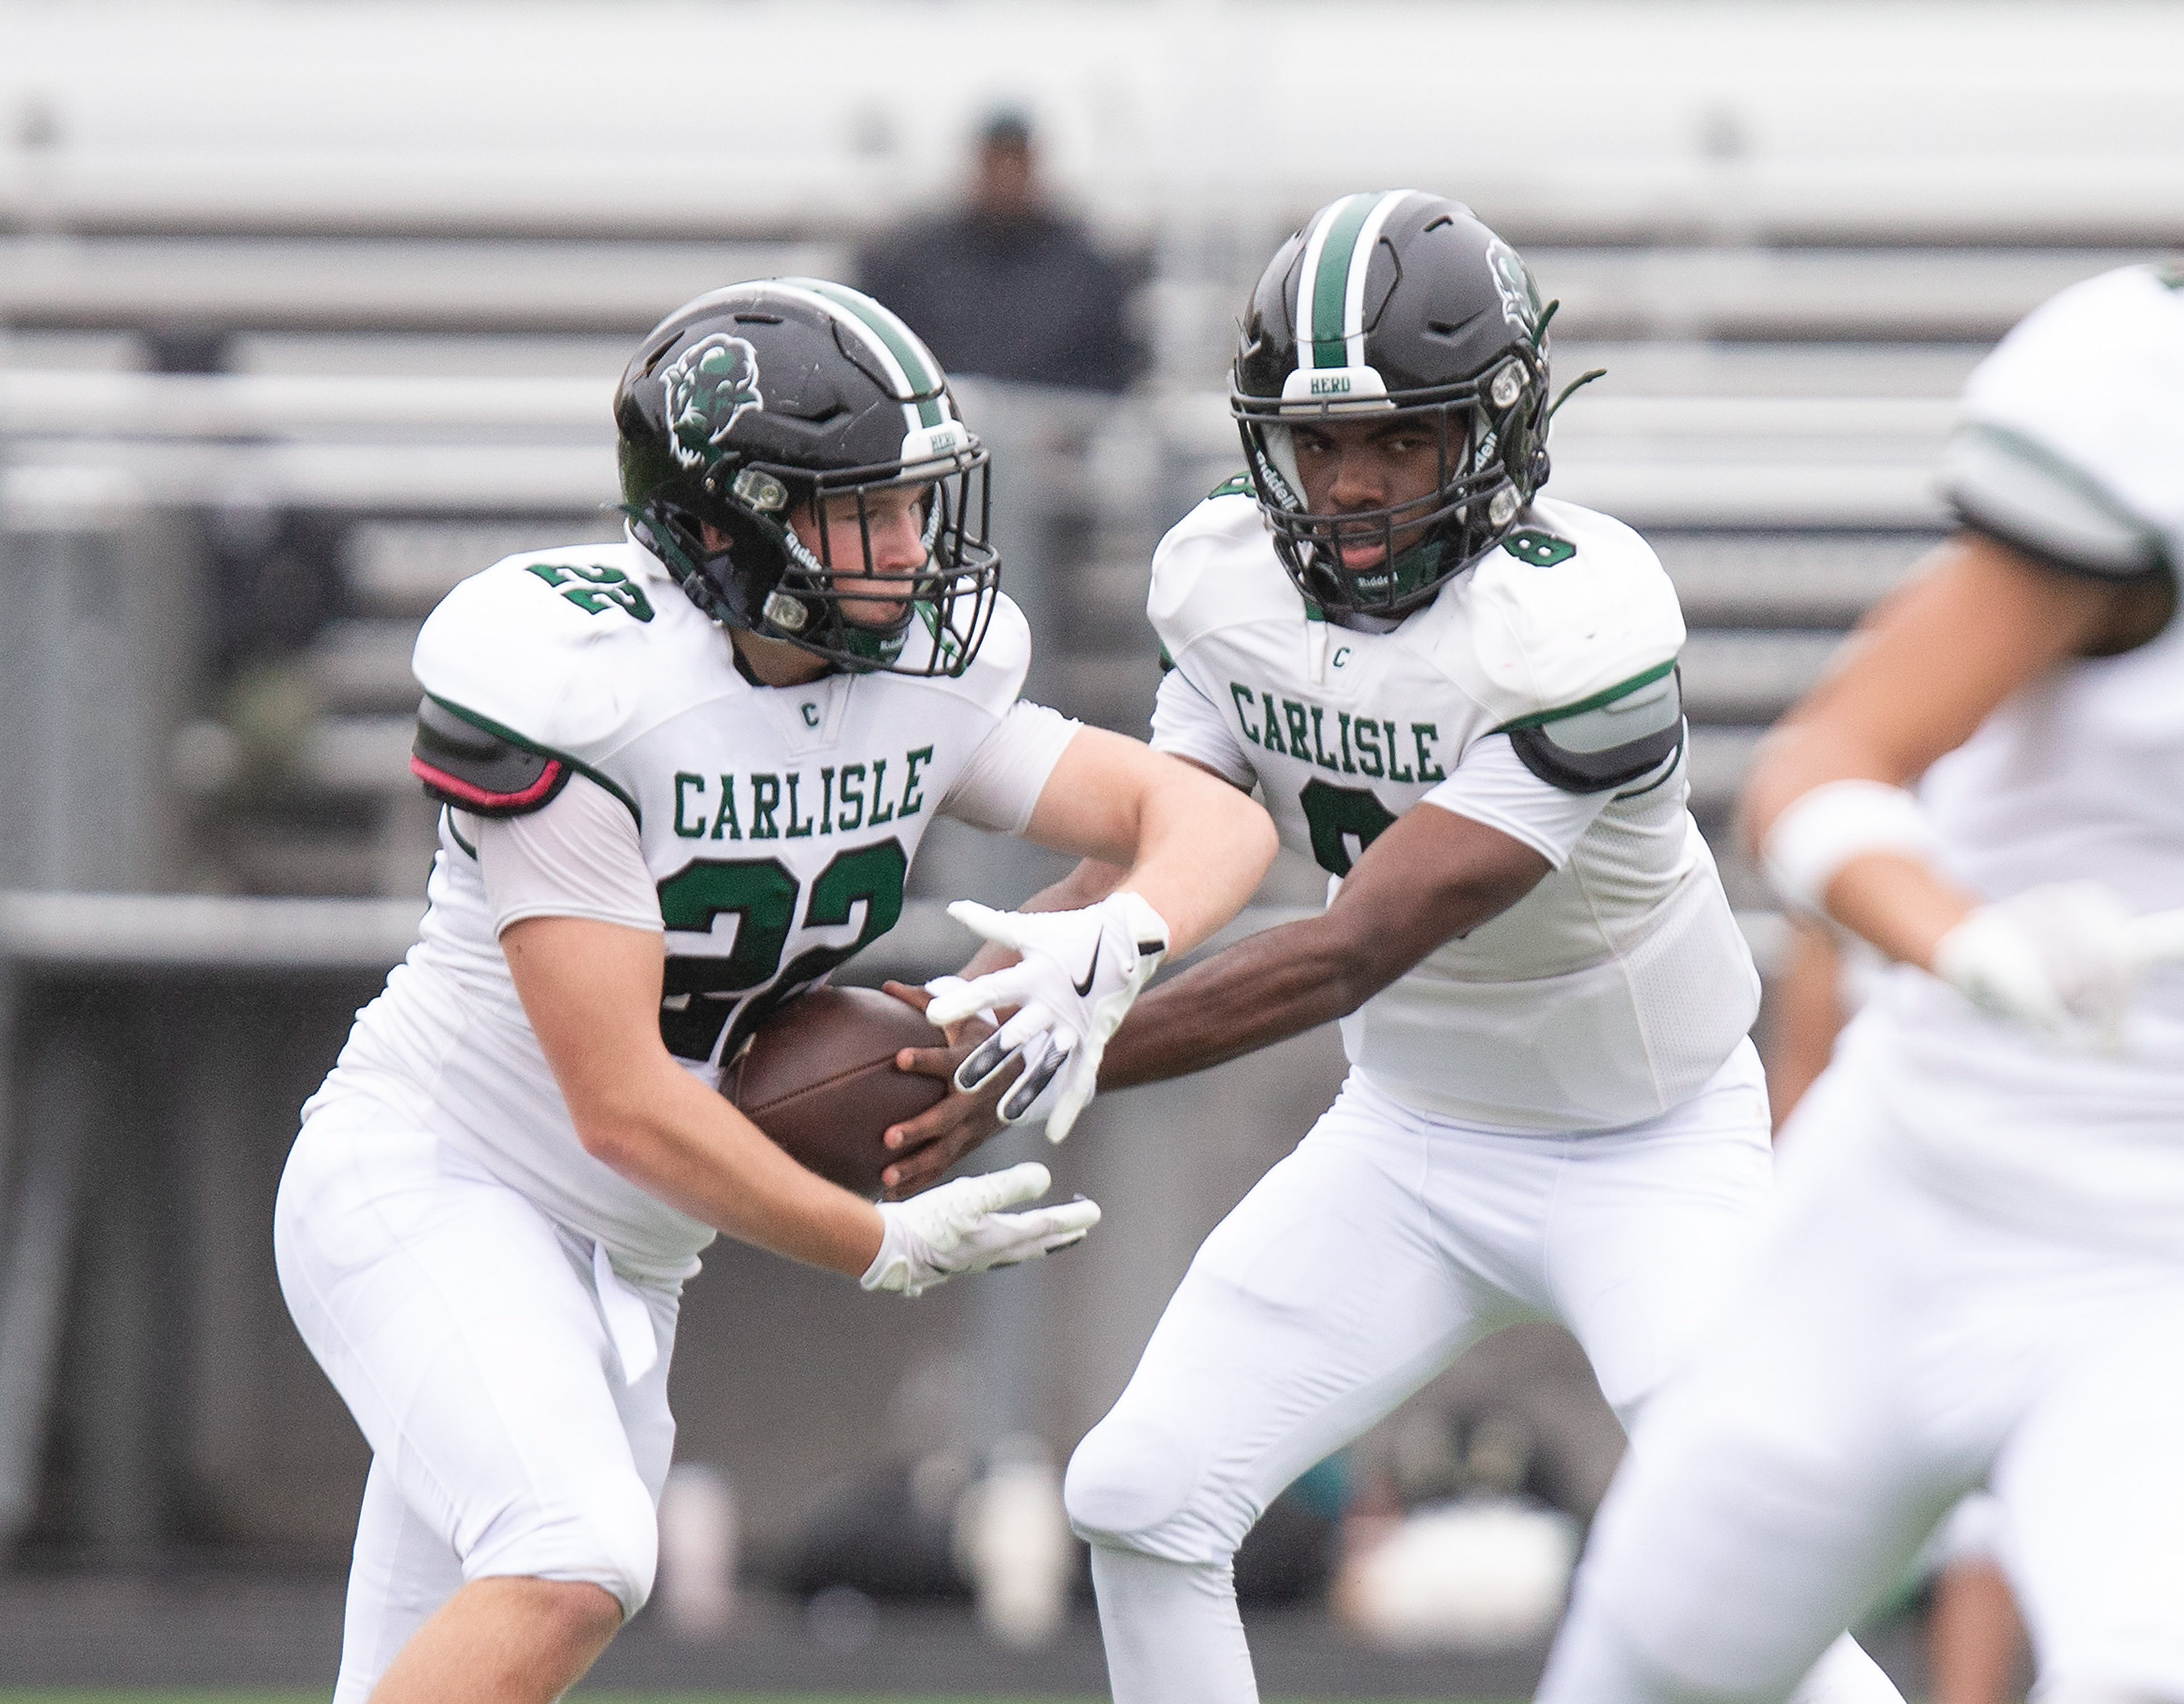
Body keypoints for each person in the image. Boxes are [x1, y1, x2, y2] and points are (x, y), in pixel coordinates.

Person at [884, 191, 1903, 1704]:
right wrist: (947, 1011)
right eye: (1321, 444)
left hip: (1646, 1152)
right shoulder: (1219, 579)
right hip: (1411, 1140)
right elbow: (1160, 852)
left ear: (1490, 435)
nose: (1351, 485)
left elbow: (1354, 945)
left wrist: (1028, 1052)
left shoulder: (1575, 620)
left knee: (1730, 1572)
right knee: (1139, 1499)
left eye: (1399, 443)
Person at [270, 278, 1276, 1704]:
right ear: (725, 519)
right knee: (573, 1551)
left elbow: (1207, 823)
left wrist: (1115, 936)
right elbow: (620, 1103)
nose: (914, 546)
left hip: (634, 1252)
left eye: (919, 501)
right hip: (437, 1182)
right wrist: (873, 1238)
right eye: (863, 509)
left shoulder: (923, 675)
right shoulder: (586, 685)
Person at [1533, 261, 2184, 1704]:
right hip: (1931, 1192)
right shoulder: (2146, 402)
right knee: (1655, 1662)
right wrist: (1968, 937)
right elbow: (1822, 766)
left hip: (2166, 1273)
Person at [854, 111, 1144, 394]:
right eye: (997, 161)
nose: (1006, 176)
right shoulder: (914, 262)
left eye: (1017, 161)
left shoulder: (1085, 271)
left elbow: (1118, 371)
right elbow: (874, 351)